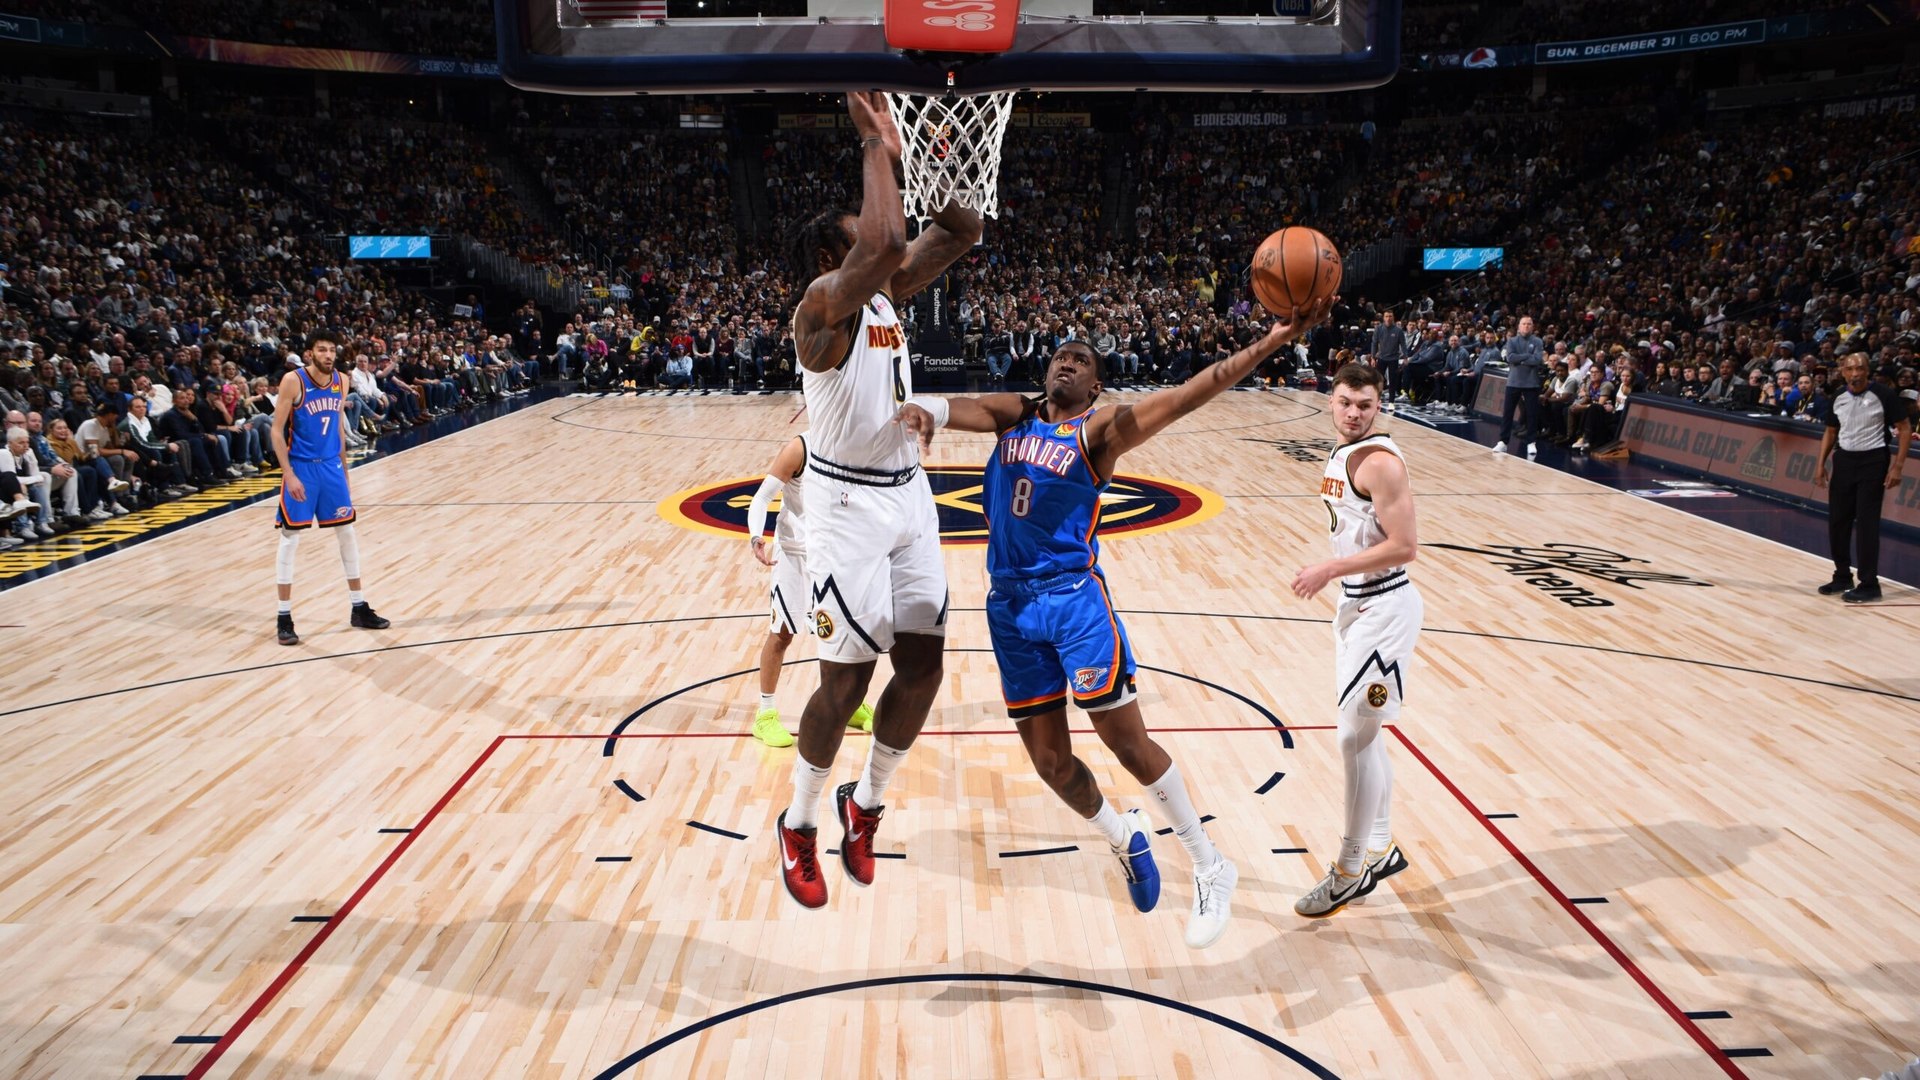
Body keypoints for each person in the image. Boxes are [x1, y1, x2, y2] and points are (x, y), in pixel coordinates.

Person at [897, 295, 1336, 948]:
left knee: (1124, 742)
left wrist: (1270, 343)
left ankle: (1212, 865)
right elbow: (958, 406)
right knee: (1050, 762)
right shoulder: (1014, 417)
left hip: (1074, 600)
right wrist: (923, 408)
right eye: (1061, 357)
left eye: (1081, 361)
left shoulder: (1097, 433)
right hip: (1009, 608)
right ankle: (1123, 834)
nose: (1068, 364)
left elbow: (1189, 395)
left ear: (1096, 386)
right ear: (1045, 373)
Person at [772, 91, 982, 910]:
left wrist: (930, 153)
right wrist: (875, 145)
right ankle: (798, 821)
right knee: (844, 686)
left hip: (907, 496)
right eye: (861, 232)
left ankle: (866, 806)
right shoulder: (821, 309)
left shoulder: (888, 292)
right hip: (845, 510)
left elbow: (961, 229)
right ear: (837, 250)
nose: (879, 237)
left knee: (924, 667)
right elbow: (889, 235)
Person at [1289, 362, 1421, 918]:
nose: (1353, 413)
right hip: (1359, 606)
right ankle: (1381, 844)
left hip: (1385, 611)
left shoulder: (1381, 463)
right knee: (1365, 734)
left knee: (1354, 738)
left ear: (1379, 406)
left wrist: (1330, 568)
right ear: (1331, 401)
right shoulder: (1343, 454)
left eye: (1364, 405)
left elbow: (1405, 545)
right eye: (1345, 402)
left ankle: (1349, 869)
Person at [744, 434, 874, 748]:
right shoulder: (798, 448)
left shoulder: (851, 445)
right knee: (782, 634)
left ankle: (849, 704)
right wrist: (755, 537)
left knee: (840, 633)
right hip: (793, 555)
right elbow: (762, 498)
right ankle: (765, 716)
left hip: (833, 553)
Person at [269, 329, 391, 645]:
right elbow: (276, 431)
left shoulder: (342, 380)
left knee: (347, 532)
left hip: (332, 469)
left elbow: (337, 426)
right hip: (302, 469)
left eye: (331, 350)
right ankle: (284, 616)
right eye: (321, 350)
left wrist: (346, 472)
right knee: (290, 538)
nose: (328, 355)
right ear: (310, 353)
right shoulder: (293, 381)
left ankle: (358, 607)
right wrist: (289, 475)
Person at [1815, 352, 1912, 604]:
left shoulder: (1884, 395)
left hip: (1873, 461)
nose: (1855, 373)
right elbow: (1830, 431)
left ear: (1868, 371)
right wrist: (1820, 464)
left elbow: (1904, 428)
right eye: (1850, 369)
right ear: (1843, 372)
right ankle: (1842, 576)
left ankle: (1869, 583)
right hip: (1844, 461)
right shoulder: (1837, 396)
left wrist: (1898, 466)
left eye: (1860, 368)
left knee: (1867, 524)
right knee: (1838, 521)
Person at [1493, 316, 1545, 458]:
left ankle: (1531, 442)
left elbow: (1537, 360)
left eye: (1529, 324)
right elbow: (1510, 358)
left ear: (1532, 327)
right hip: (1513, 382)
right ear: (1519, 326)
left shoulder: (1538, 341)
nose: (1526, 326)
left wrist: (1520, 359)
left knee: (1531, 414)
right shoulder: (1512, 341)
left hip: (1531, 382)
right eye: (1524, 324)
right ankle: (1503, 442)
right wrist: (1527, 356)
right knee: (1508, 413)